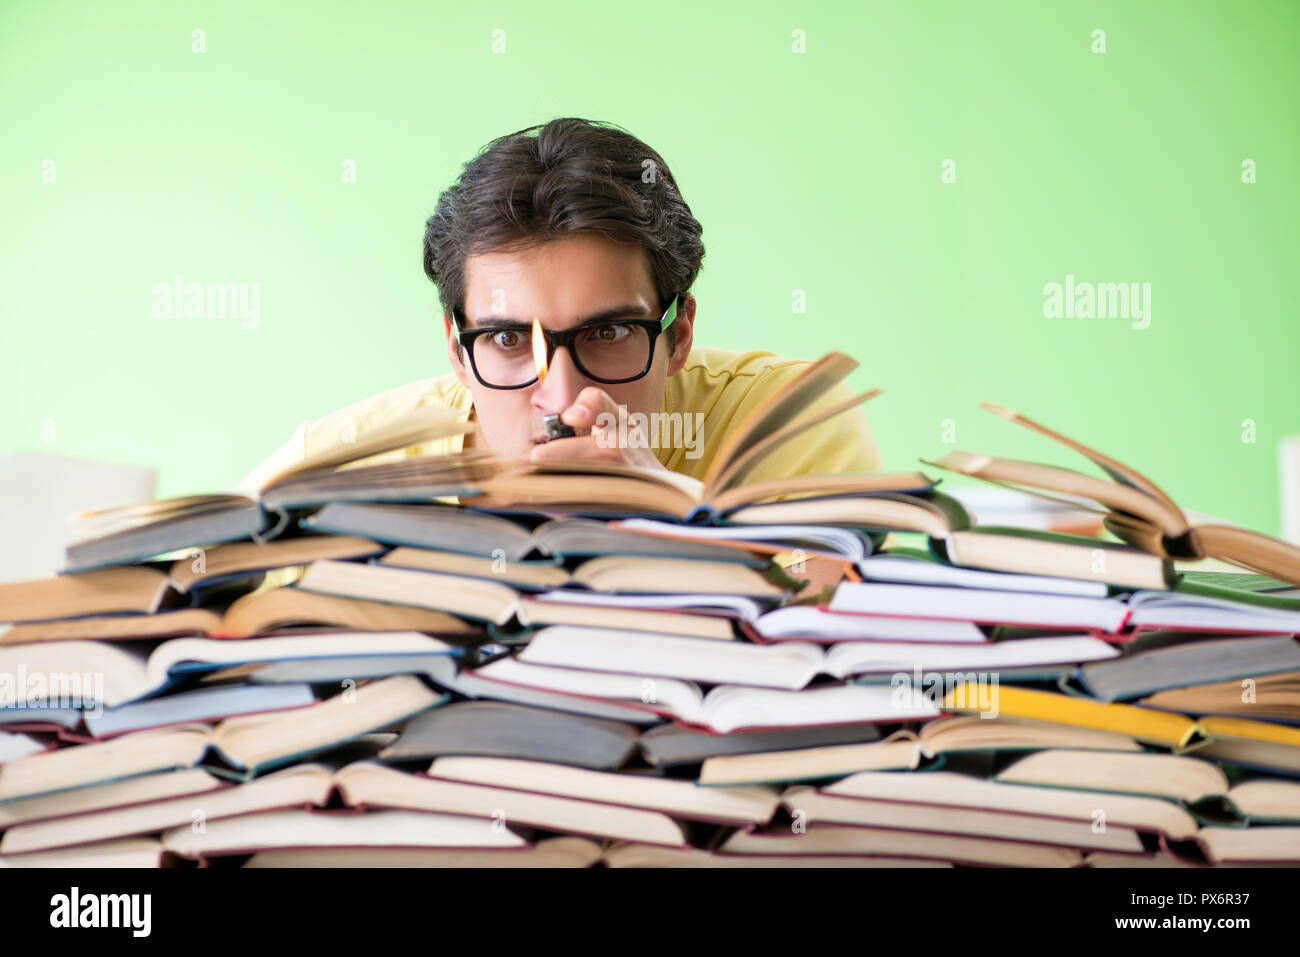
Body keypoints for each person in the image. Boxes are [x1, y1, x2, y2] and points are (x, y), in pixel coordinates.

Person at [238, 117, 881, 494]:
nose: (564, 398)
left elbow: (821, 634)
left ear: (678, 334)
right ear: (457, 351)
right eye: (509, 341)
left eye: (609, 333)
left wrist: (664, 505)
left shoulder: (785, 420)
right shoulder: (339, 465)